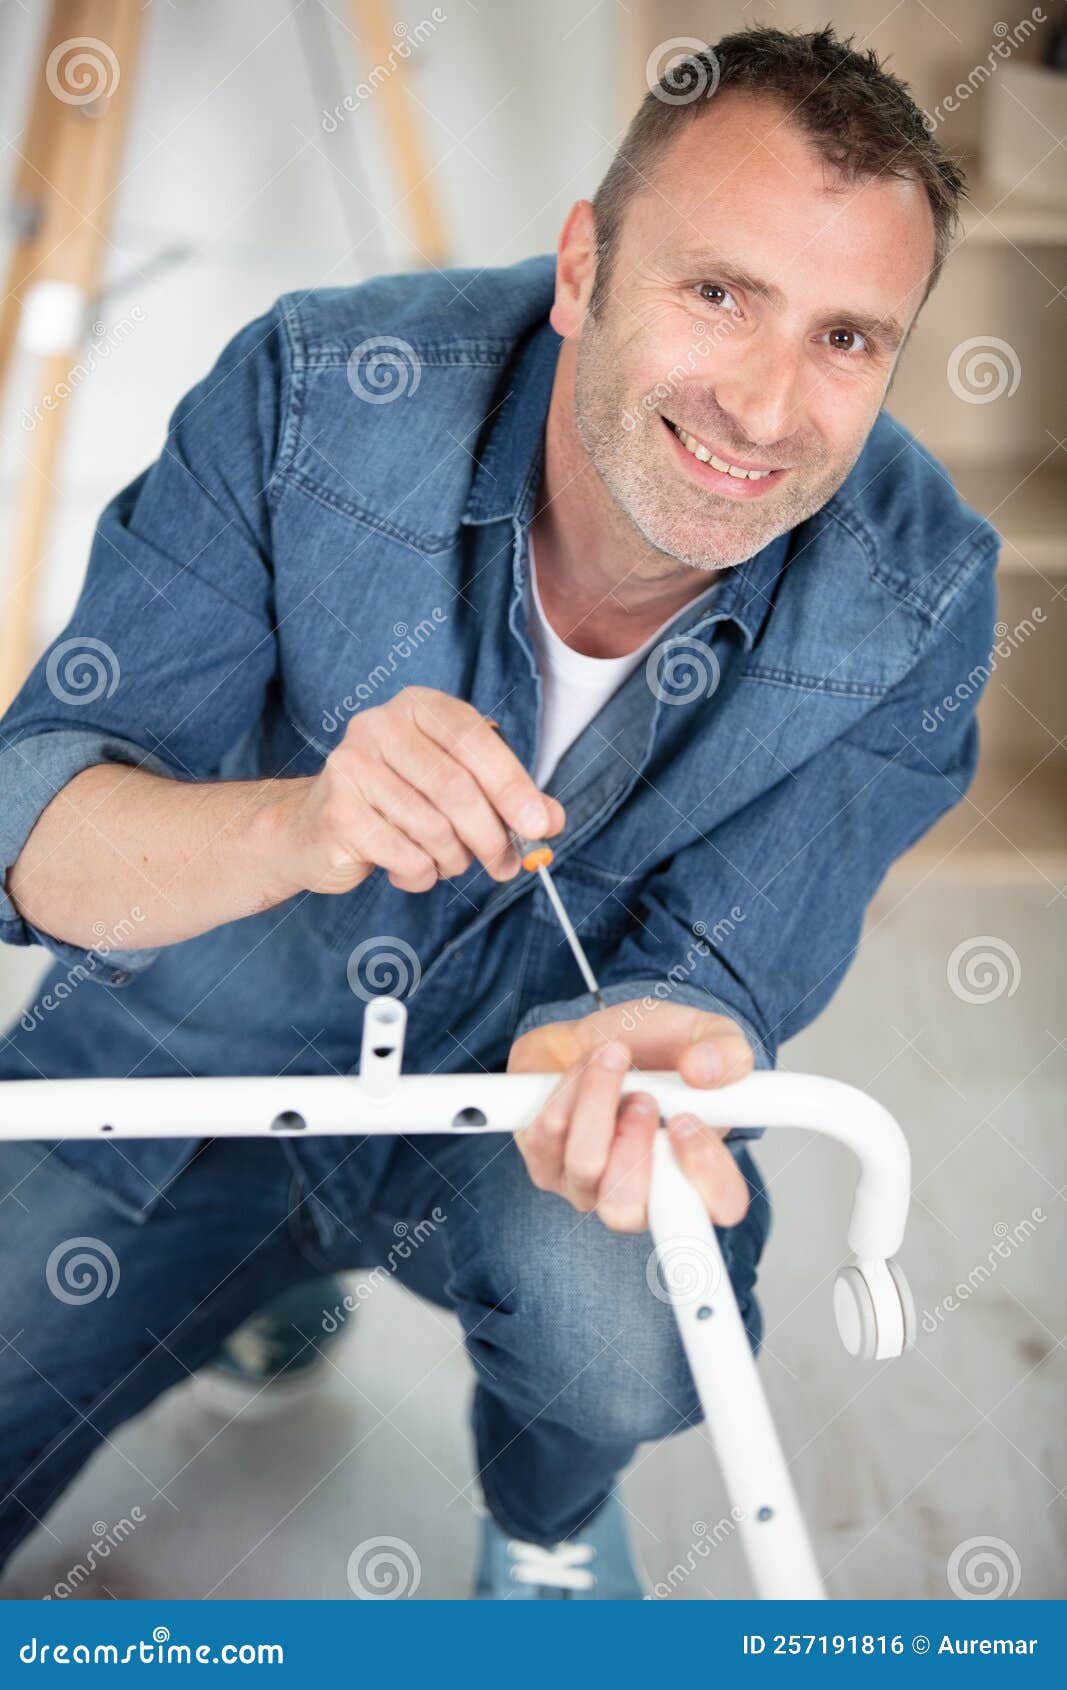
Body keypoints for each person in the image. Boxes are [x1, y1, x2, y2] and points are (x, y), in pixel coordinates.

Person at [0, 25, 999, 1598]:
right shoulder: (315, 394)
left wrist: (652, 1048)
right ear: (584, 268)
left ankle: (544, 1525)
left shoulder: (921, 592)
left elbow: (727, 969)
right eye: (718, 293)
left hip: (522, 1129)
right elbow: (31, 829)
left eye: (846, 337)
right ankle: (259, 1277)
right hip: (177, 1083)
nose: (764, 406)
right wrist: (296, 826)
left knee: (623, 1316)